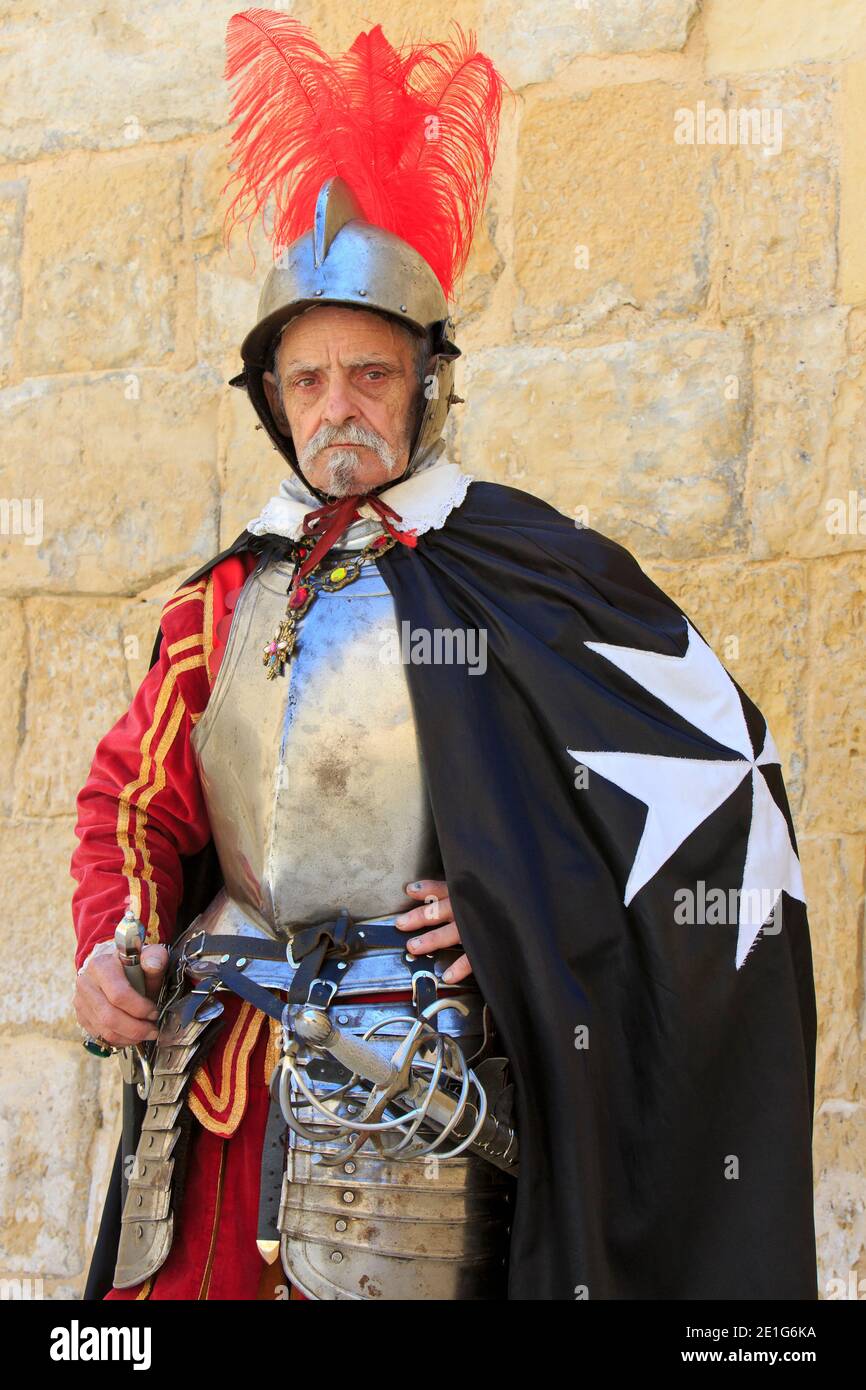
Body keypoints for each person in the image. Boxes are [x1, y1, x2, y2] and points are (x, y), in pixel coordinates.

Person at [71, 12, 818, 1301]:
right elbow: (132, 806)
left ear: (427, 386)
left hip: (418, 1113)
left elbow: (706, 814)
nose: (336, 409)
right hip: (218, 1105)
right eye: (306, 383)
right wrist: (108, 950)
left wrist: (523, 914)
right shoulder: (230, 594)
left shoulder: (538, 578)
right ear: (273, 400)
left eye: (369, 374)